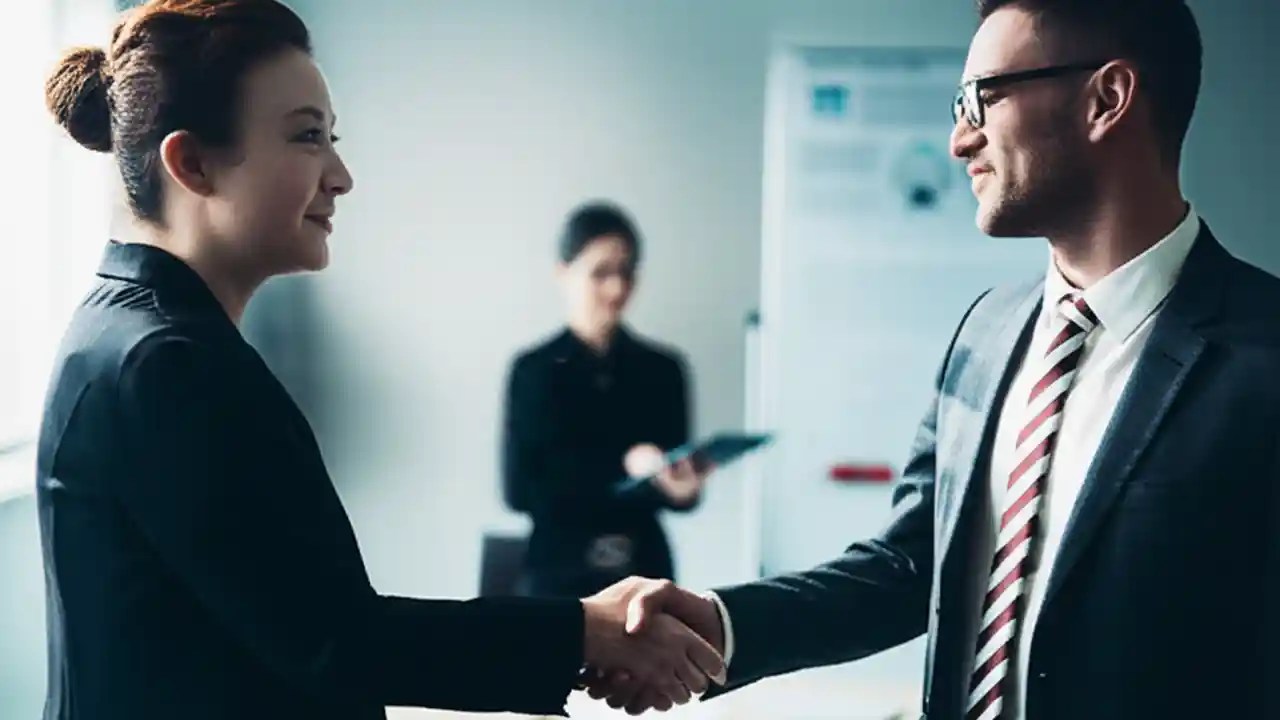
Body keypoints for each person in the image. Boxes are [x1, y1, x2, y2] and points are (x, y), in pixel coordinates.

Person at [592, 1, 1280, 718]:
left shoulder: (1265, 356)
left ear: (1105, 99)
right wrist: (721, 625)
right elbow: (910, 568)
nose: (958, 139)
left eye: (984, 97)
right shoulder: (985, 334)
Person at [35, 2, 722, 719]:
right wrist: (587, 630)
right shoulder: (166, 364)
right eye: (307, 137)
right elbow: (338, 640)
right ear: (193, 163)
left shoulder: (137, 333)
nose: (341, 175)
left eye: (331, 138)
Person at [501, 201, 711, 598]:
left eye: (626, 273)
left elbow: (681, 496)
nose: (617, 289)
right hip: (557, 577)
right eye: (600, 273)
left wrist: (683, 489)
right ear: (563, 273)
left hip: (644, 573)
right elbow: (519, 491)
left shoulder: (664, 369)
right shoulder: (533, 371)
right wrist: (629, 470)